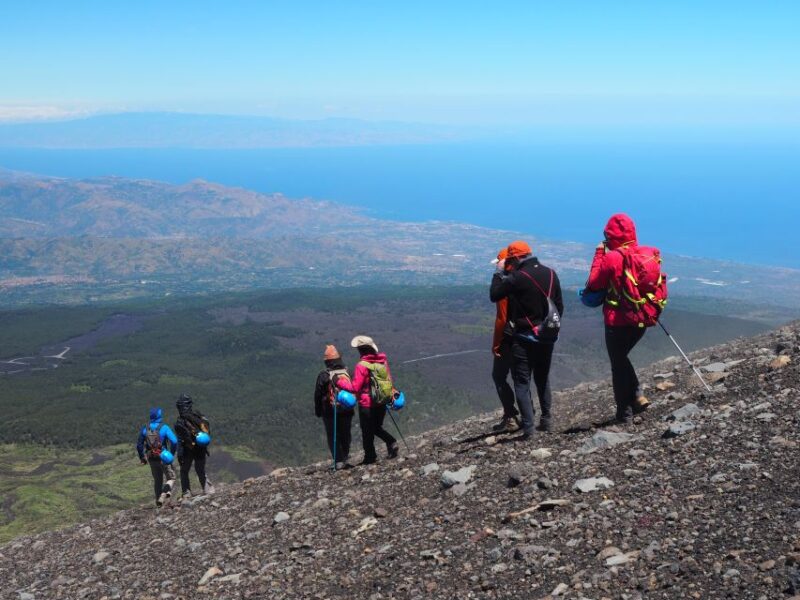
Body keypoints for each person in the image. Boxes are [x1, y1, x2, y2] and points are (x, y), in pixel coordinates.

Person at [585, 213, 658, 423]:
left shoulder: (613, 257)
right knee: (621, 359)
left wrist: (599, 252)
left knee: (618, 364)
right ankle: (637, 397)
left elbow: (594, 283)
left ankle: (624, 414)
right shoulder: (646, 254)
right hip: (641, 319)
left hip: (617, 321)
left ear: (611, 235)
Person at [490, 240, 563, 438]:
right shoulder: (551, 273)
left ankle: (529, 429)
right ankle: (547, 420)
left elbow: (494, 294)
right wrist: (547, 328)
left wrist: (498, 272)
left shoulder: (517, 277)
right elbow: (558, 306)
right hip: (547, 336)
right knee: (542, 379)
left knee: (522, 382)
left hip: (523, 337)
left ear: (515, 258)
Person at [336, 335, 399, 464]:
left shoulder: (361, 366)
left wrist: (339, 382)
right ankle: (391, 442)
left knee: (367, 431)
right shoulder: (382, 362)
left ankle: (370, 457)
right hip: (381, 401)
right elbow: (389, 381)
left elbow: (355, 387)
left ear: (361, 350)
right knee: (376, 427)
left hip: (367, 404)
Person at [490, 247, 520, 433]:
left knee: (499, 376)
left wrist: (496, 343)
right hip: (525, 334)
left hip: (508, 336)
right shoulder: (522, 279)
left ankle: (511, 415)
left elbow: (502, 317)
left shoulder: (505, 284)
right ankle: (527, 414)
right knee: (520, 376)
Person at [314, 344, 354, 469]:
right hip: (347, 409)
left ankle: (338, 460)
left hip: (330, 411)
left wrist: (318, 410)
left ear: (327, 361)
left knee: (333, 435)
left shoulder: (324, 375)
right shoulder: (348, 372)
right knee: (345, 433)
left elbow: (318, 394)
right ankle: (345, 456)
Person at [136, 407, 178, 507]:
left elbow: (139, 445)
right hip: (163, 457)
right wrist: (171, 454)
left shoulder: (145, 428)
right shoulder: (164, 427)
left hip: (151, 458)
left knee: (157, 481)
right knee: (172, 478)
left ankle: (158, 503)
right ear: (159, 416)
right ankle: (164, 494)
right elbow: (174, 441)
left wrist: (142, 457)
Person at [174, 393, 213, 498]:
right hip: (201, 449)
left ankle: (186, 493)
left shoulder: (180, 422)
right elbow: (207, 431)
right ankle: (208, 489)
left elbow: (180, 440)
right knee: (200, 470)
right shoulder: (198, 416)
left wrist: (180, 455)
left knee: (184, 471)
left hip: (188, 450)